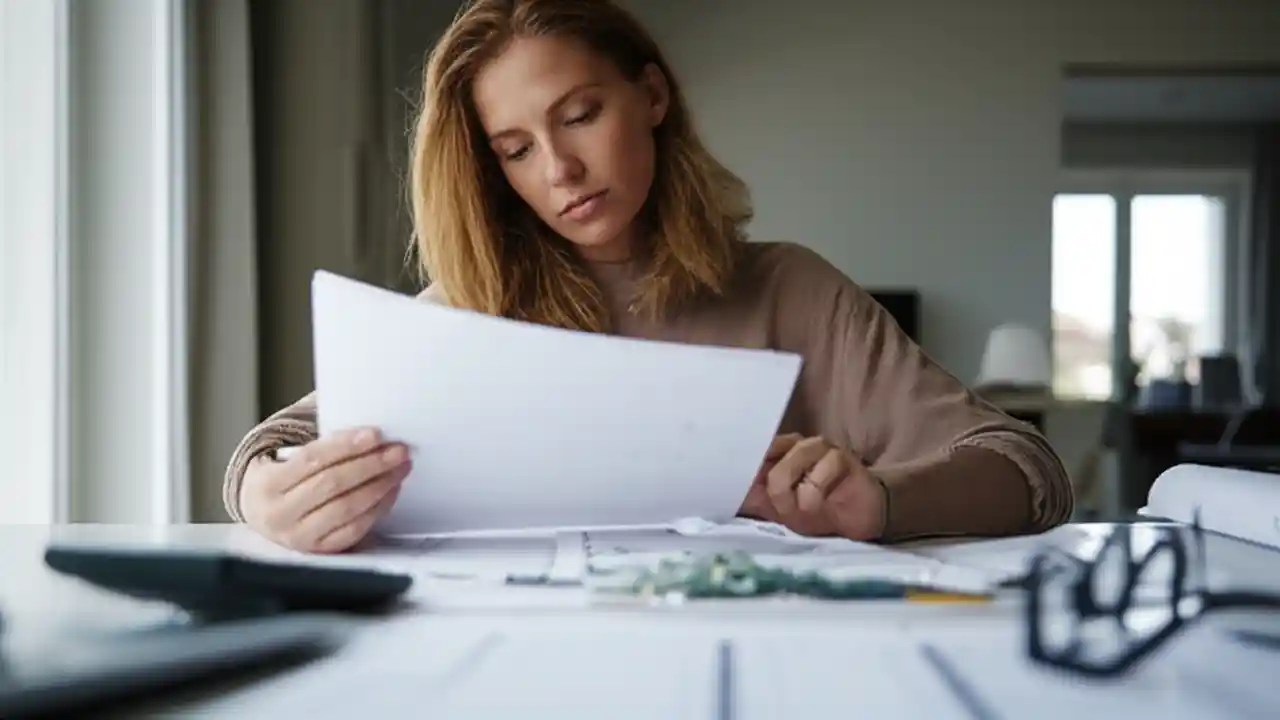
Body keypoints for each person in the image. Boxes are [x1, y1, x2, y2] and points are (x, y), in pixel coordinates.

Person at [224, 0, 1073, 554]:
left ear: (653, 96)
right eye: (516, 151)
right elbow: (273, 451)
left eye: (581, 115)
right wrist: (269, 498)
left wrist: (876, 503)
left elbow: (1025, 469)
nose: (559, 169)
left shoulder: (791, 291)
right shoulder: (472, 312)